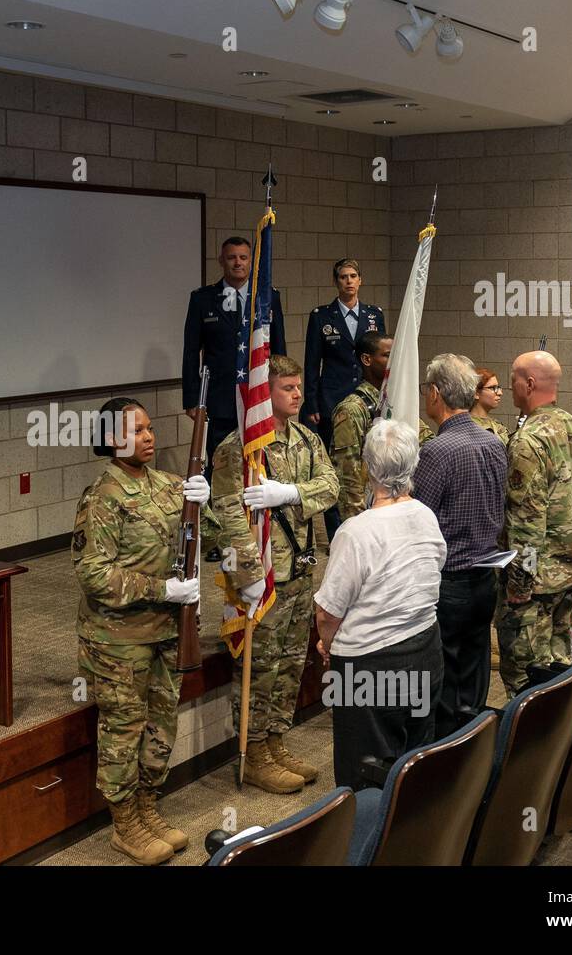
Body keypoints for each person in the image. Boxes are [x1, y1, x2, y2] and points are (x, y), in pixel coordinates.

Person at [71, 397, 230, 865]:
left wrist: (206, 503)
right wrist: (163, 589)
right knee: (124, 729)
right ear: (110, 439)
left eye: (148, 428)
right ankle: (124, 824)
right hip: (119, 638)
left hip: (167, 632)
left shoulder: (167, 484)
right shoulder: (102, 497)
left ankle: (147, 807)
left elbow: (213, 539)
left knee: (161, 725)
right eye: (135, 431)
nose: (147, 437)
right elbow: (92, 574)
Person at [212, 355, 339, 794]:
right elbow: (228, 512)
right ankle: (254, 751)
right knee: (260, 667)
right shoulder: (240, 449)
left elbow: (331, 486)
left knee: (289, 665)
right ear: (265, 395)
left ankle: (275, 741)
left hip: (300, 570)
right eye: (288, 388)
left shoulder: (306, 439)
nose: (298, 394)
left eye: (299, 387)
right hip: (262, 578)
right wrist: (247, 574)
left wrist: (289, 493)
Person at [313, 419, 446, 789]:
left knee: (365, 776)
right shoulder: (426, 515)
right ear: (413, 465)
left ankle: (368, 844)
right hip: (425, 651)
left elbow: (328, 611)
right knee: (414, 763)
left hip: (369, 668)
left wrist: (328, 643)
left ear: (367, 468)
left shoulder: (356, 531)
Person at [496, 351, 572, 695]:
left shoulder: (528, 441)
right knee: (560, 666)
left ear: (528, 384)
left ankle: (527, 747)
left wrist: (518, 585)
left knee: (525, 677)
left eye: (512, 379)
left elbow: (526, 524)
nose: (510, 387)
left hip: (536, 584)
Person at [413, 354, 507, 736]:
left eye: (425, 390)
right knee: (474, 671)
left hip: (449, 581)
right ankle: (475, 749)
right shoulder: (493, 442)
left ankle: (448, 761)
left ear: (435, 394)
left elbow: (418, 519)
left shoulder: (437, 451)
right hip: (486, 576)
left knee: (444, 683)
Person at [182, 236, 286, 482]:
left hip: (259, 397)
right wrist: (191, 400)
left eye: (243, 257)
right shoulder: (202, 299)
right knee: (220, 465)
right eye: (231, 257)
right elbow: (190, 352)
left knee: (262, 465)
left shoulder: (267, 297)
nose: (237, 263)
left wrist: (281, 392)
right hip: (220, 399)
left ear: (252, 262)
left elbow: (279, 350)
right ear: (221, 260)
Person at [301, 258, 387, 538]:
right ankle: (338, 531)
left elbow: (381, 358)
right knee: (337, 469)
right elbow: (312, 362)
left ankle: (367, 523)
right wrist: (312, 402)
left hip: (368, 400)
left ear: (360, 280)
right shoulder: (321, 316)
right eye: (343, 277)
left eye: (353, 276)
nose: (348, 281)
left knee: (368, 463)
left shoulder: (374, 315)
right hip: (333, 401)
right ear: (335, 281)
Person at [330, 331, 392, 522]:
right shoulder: (353, 409)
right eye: (388, 355)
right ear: (367, 359)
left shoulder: (392, 401)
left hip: (393, 502)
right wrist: (358, 521)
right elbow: (347, 473)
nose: (394, 361)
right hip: (368, 509)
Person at [470, 366, 510, 447]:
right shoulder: (468, 427)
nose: (499, 393)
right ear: (476, 393)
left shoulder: (496, 425)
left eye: (498, 387)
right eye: (493, 388)